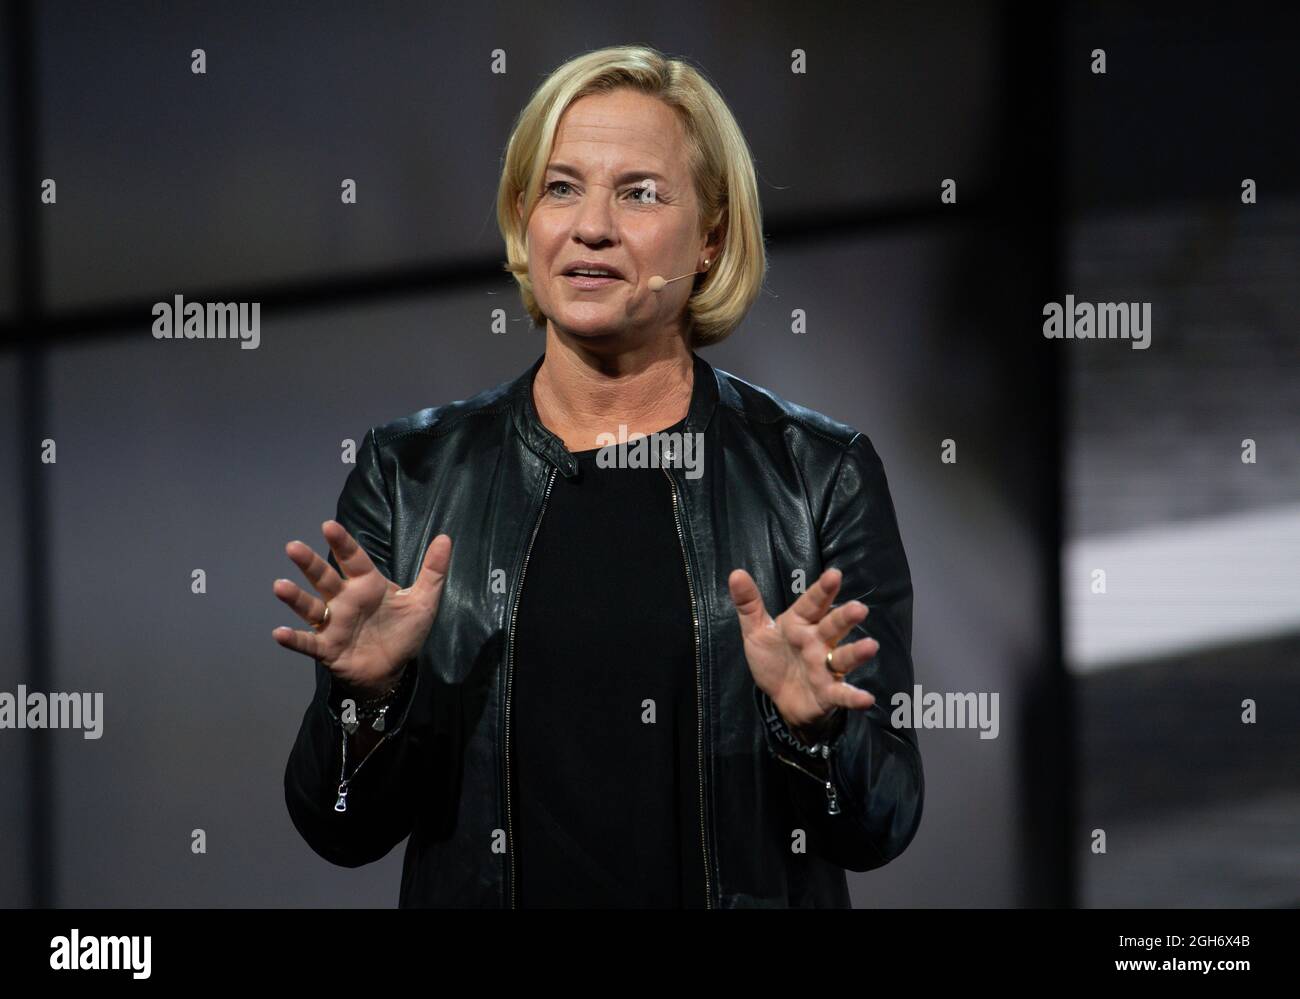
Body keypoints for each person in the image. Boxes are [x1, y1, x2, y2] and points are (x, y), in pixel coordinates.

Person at [275, 44, 922, 908]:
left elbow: (882, 821)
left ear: (712, 238)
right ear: (525, 219)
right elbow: (339, 827)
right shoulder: (412, 473)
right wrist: (368, 704)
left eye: (640, 193)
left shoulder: (817, 475)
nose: (591, 226)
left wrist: (817, 730)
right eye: (561, 186)